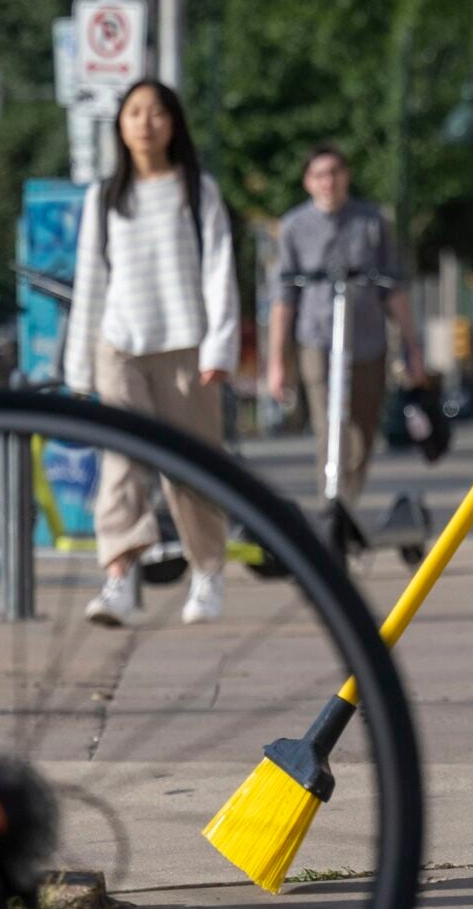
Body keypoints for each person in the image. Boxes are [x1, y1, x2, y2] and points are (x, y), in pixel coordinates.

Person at [62, 81, 240, 626]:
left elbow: (219, 270)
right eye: (135, 112)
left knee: (189, 466)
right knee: (121, 460)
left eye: (157, 112)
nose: (146, 122)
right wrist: (78, 364)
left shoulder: (197, 190)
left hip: (187, 345)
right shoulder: (105, 196)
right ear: (120, 125)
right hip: (120, 345)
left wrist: (220, 346)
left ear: (174, 123)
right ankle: (118, 577)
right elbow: (90, 279)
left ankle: (207, 572)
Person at [264, 145, 425, 506]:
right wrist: (276, 360)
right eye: (319, 175)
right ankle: (330, 508)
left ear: (346, 176)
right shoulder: (293, 227)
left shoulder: (371, 222)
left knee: (363, 430)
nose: (329, 182)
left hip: (367, 339)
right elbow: (284, 299)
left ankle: (347, 501)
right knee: (330, 427)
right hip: (317, 339)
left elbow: (393, 289)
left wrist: (412, 346)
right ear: (308, 182)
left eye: (335, 172)